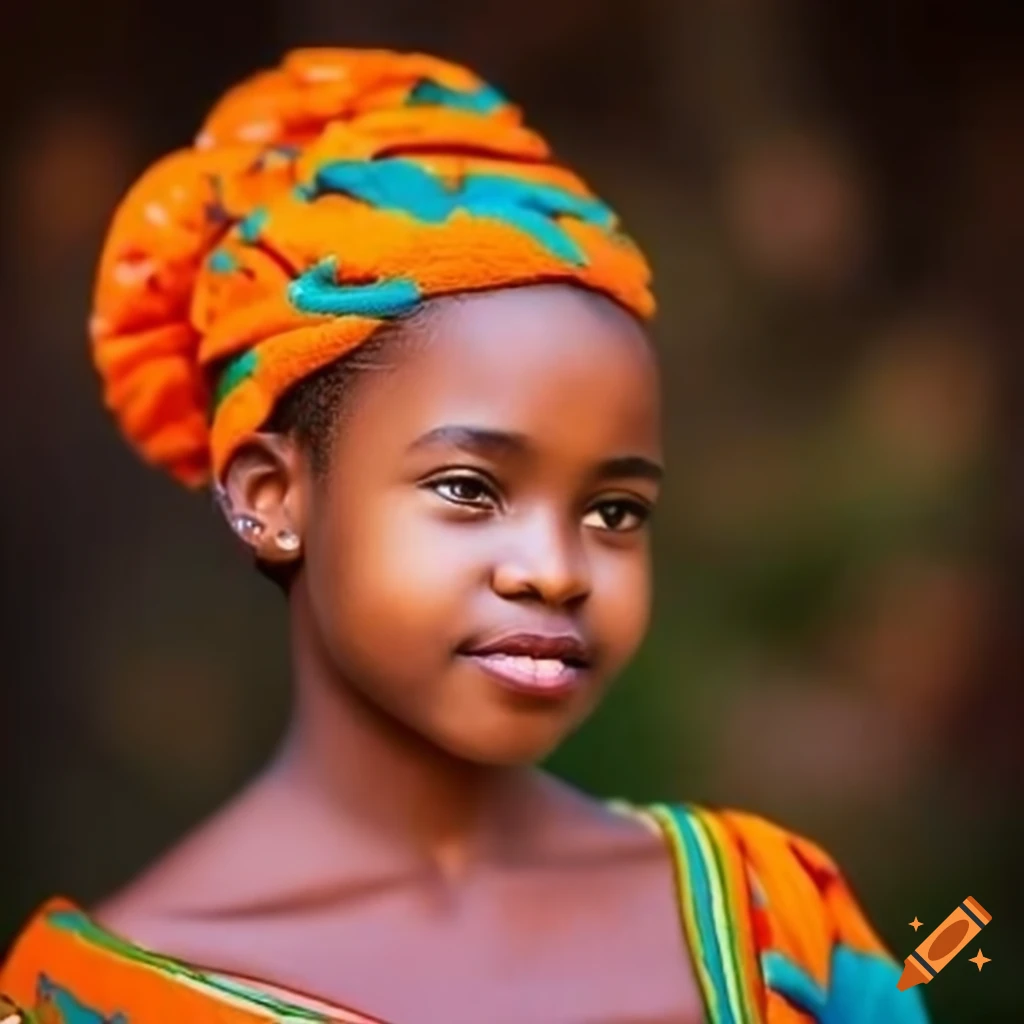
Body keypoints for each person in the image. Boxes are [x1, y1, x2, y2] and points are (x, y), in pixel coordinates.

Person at [0, 49, 929, 1024]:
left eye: (614, 511)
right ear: (272, 496)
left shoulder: (771, 915)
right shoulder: (92, 1001)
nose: (556, 571)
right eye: (468, 487)